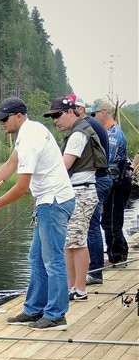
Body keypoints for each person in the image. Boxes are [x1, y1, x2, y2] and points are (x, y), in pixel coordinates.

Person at [0, 97, 75, 331]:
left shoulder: (29, 139)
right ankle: (34, 310)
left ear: (19, 116)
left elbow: (21, 187)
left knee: (53, 261)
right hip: (47, 202)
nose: (1, 123)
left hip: (54, 202)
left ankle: (57, 315)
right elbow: (10, 163)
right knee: (36, 258)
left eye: (4, 118)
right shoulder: (31, 130)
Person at [43, 96, 106, 301]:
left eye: (58, 115)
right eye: (52, 116)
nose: (55, 120)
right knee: (71, 242)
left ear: (72, 111)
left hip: (81, 192)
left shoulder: (78, 134)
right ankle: (72, 287)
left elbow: (64, 165)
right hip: (77, 191)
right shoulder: (77, 131)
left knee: (77, 242)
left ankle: (80, 289)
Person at [64, 96, 112, 286]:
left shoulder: (83, 128)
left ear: (77, 110)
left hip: (95, 180)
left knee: (90, 227)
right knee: (86, 229)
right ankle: (88, 273)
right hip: (98, 178)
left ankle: (94, 273)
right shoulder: (89, 124)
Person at [88, 97, 130, 265]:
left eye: (94, 113)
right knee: (110, 220)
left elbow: (108, 162)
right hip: (115, 180)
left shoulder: (113, 135)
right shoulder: (107, 131)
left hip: (117, 182)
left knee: (111, 221)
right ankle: (118, 253)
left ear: (103, 113)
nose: (93, 117)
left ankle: (117, 256)